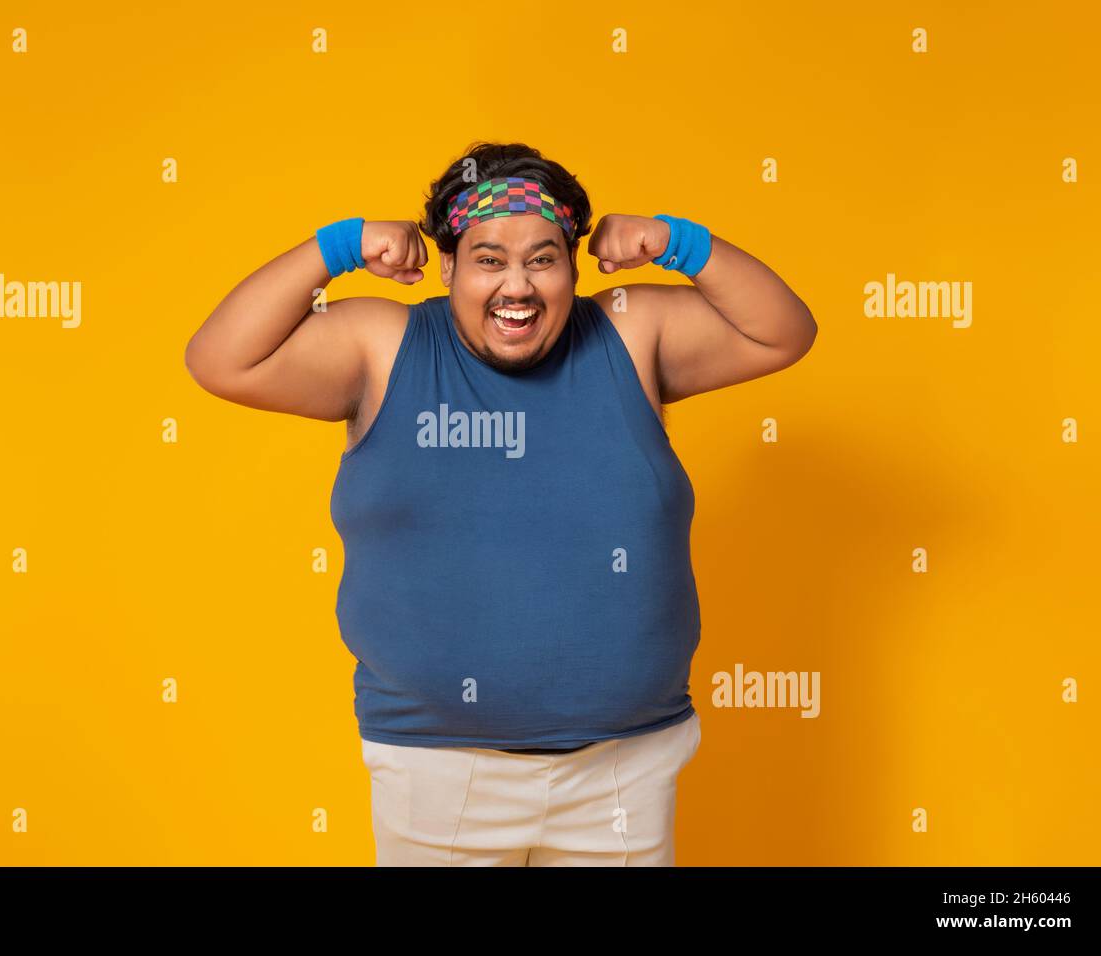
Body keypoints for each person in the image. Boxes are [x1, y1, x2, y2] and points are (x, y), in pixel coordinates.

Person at [185, 142, 817, 866]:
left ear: (574, 266)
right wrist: (335, 247)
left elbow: (784, 332)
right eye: (489, 259)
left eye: (542, 258)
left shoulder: (629, 330)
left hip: (622, 771)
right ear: (448, 265)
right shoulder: (383, 344)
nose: (517, 285)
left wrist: (679, 243)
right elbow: (219, 359)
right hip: (438, 771)